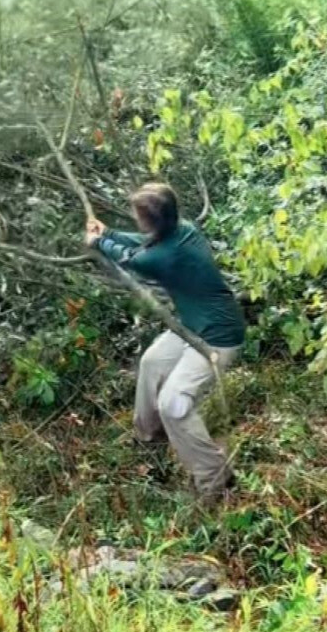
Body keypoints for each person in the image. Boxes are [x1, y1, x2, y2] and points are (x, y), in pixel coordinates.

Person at [86, 182, 246, 504]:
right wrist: (109, 233)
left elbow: (133, 258)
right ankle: (149, 440)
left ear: (152, 220)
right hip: (191, 324)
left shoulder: (162, 258)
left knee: (173, 404)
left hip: (217, 335)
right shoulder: (183, 229)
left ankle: (217, 482)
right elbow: (143, 243)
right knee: (151, 363)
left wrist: (99, 242)